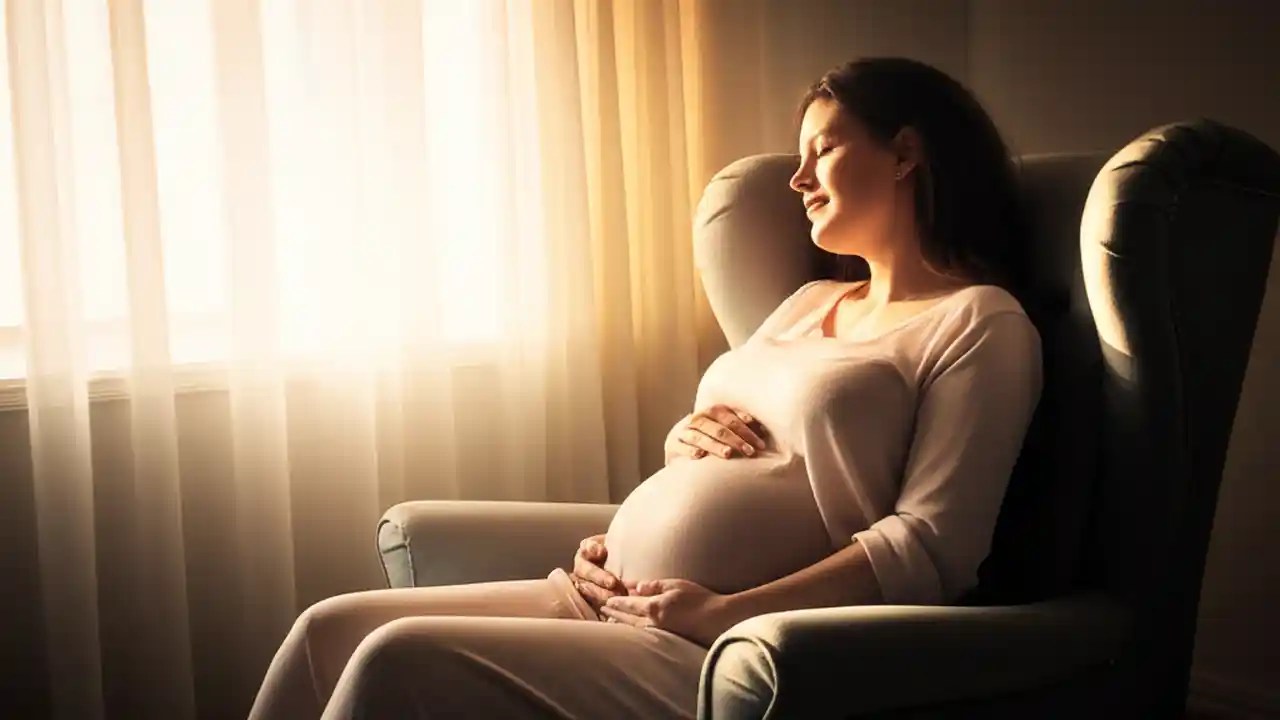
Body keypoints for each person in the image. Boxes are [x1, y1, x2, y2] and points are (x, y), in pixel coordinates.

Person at [248, 56, 1043, 720]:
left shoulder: (980, 324)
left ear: (906, 153)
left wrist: (727, 614)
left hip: (710, 645)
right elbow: (741, 445)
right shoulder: (809, 303)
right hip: (603, 591)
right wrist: (665, 472)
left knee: (397, 660)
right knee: (327, 629)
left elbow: (932, 550)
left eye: (822, 151)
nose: (797, 178)